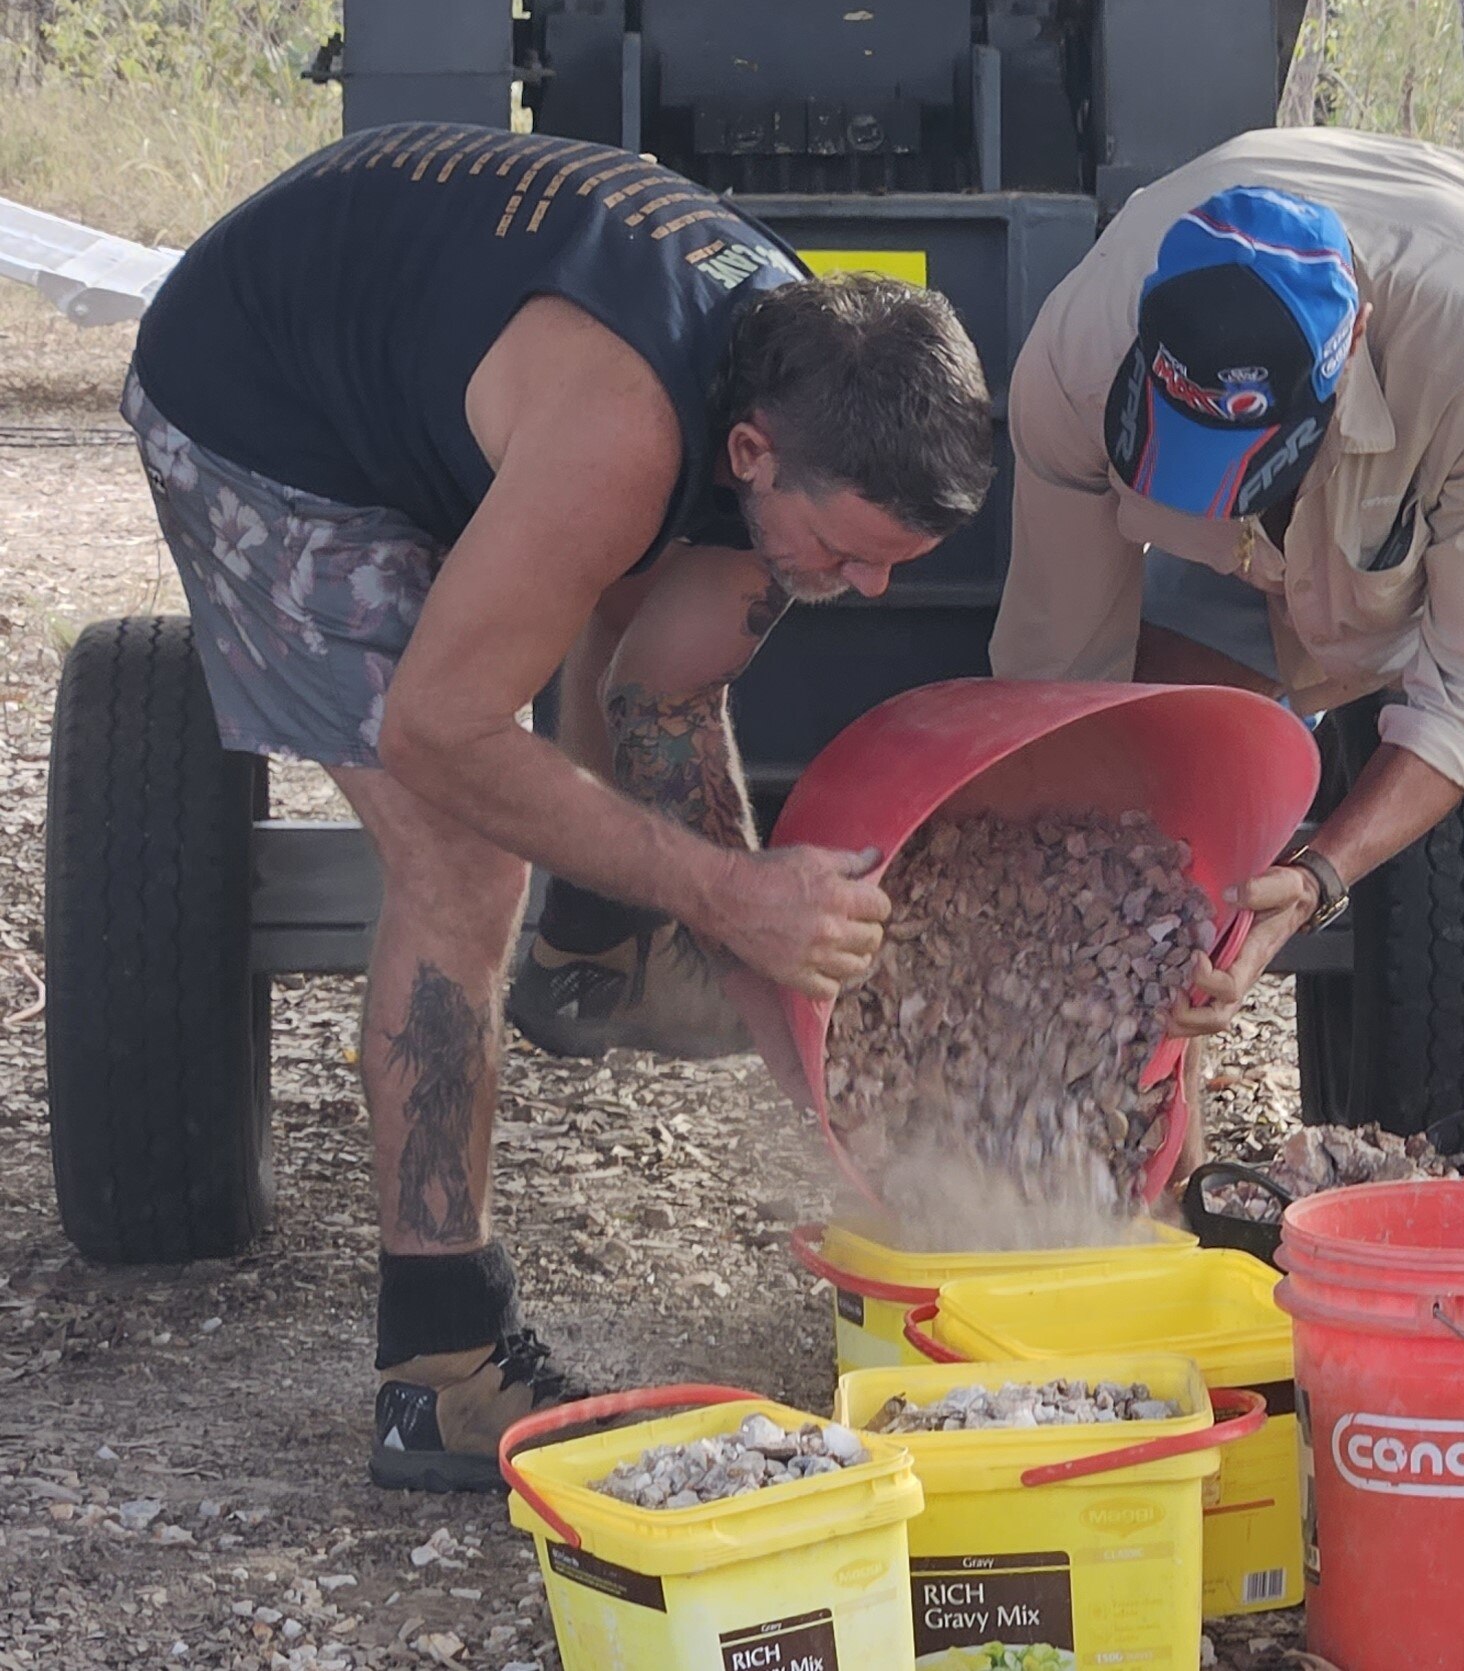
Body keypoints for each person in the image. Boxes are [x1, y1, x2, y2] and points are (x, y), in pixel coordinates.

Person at [127, 122, 993, 1490]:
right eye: (844, 551)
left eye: (892, 566)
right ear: (755, 454)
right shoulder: (622, 431)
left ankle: (598, 952)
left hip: (431, 351)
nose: (863, 588)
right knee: (466, 867)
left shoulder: (806, 363)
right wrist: (725, 894)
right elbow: (441, 728)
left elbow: (666, 688)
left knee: (635, 647)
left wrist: (801, 1035)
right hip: (261, 408)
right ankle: (441, 1365)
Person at [991, 126, 1464, 1185]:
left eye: (1253, 464)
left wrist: (1316, 877)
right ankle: (1141, 1217)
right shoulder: (1074, 358)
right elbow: (1066, 685)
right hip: (1307, 531)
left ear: (1350, 344)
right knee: (1161, 817)